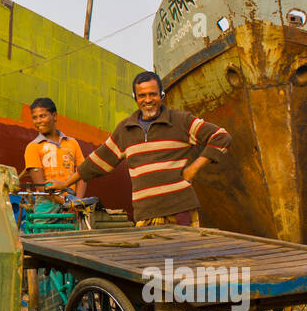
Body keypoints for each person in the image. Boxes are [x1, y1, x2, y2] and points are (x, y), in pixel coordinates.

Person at [53, 71, 230, 226]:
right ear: (135, 98)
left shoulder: (181, 121)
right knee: (150, 263)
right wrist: (66, 183)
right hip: (146, 214)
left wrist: (195, 167)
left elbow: (221, 136)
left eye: (152, 95)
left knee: (184, 262)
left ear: (161, 95)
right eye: (142, 96)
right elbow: (97, 161)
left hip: (180, 211)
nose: (147, 100)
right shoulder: (125, 129)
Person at [23, 97, 86, 197]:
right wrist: (65, 203)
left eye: (42, 116)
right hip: (47, 204)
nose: (38, 121)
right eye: (35, 117)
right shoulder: (32, 147)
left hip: (72, 202)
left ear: (54, 116)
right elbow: (40, 185)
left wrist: (77, 202)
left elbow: (83, 175)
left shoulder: (72, 143)